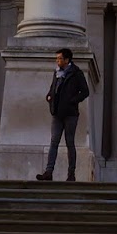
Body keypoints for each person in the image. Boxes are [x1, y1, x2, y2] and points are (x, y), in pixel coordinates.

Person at [36, 48, 89, 182]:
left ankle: (71, 174)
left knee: (69, 143)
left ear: (67, 60)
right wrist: (49, 96)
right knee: (53, 142)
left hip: (71, 114)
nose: (57, 61)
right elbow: (53, 88)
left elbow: (85, 92)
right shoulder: (57, 72)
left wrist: (72, 101)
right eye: (57, 58)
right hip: (57, 113)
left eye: (59, 58)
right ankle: (49, 172)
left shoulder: (76, 73)